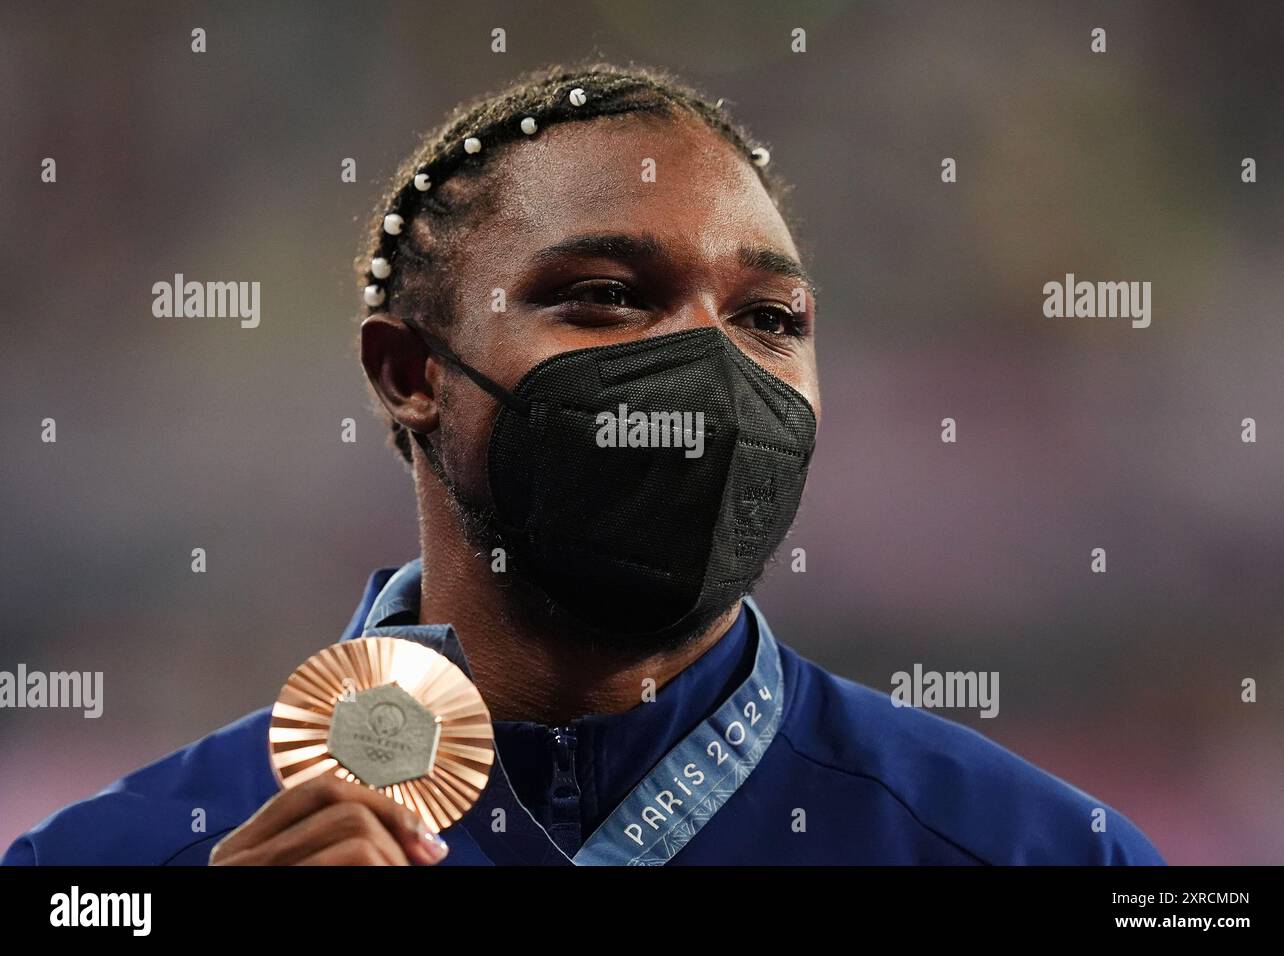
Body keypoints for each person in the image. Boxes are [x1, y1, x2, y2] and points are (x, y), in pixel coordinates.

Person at [3, 62, 1163, 866]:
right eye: (607, 297)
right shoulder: (109, 866)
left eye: (769, 317)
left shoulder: (1043, 850)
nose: (707, 365)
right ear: (412, 369)